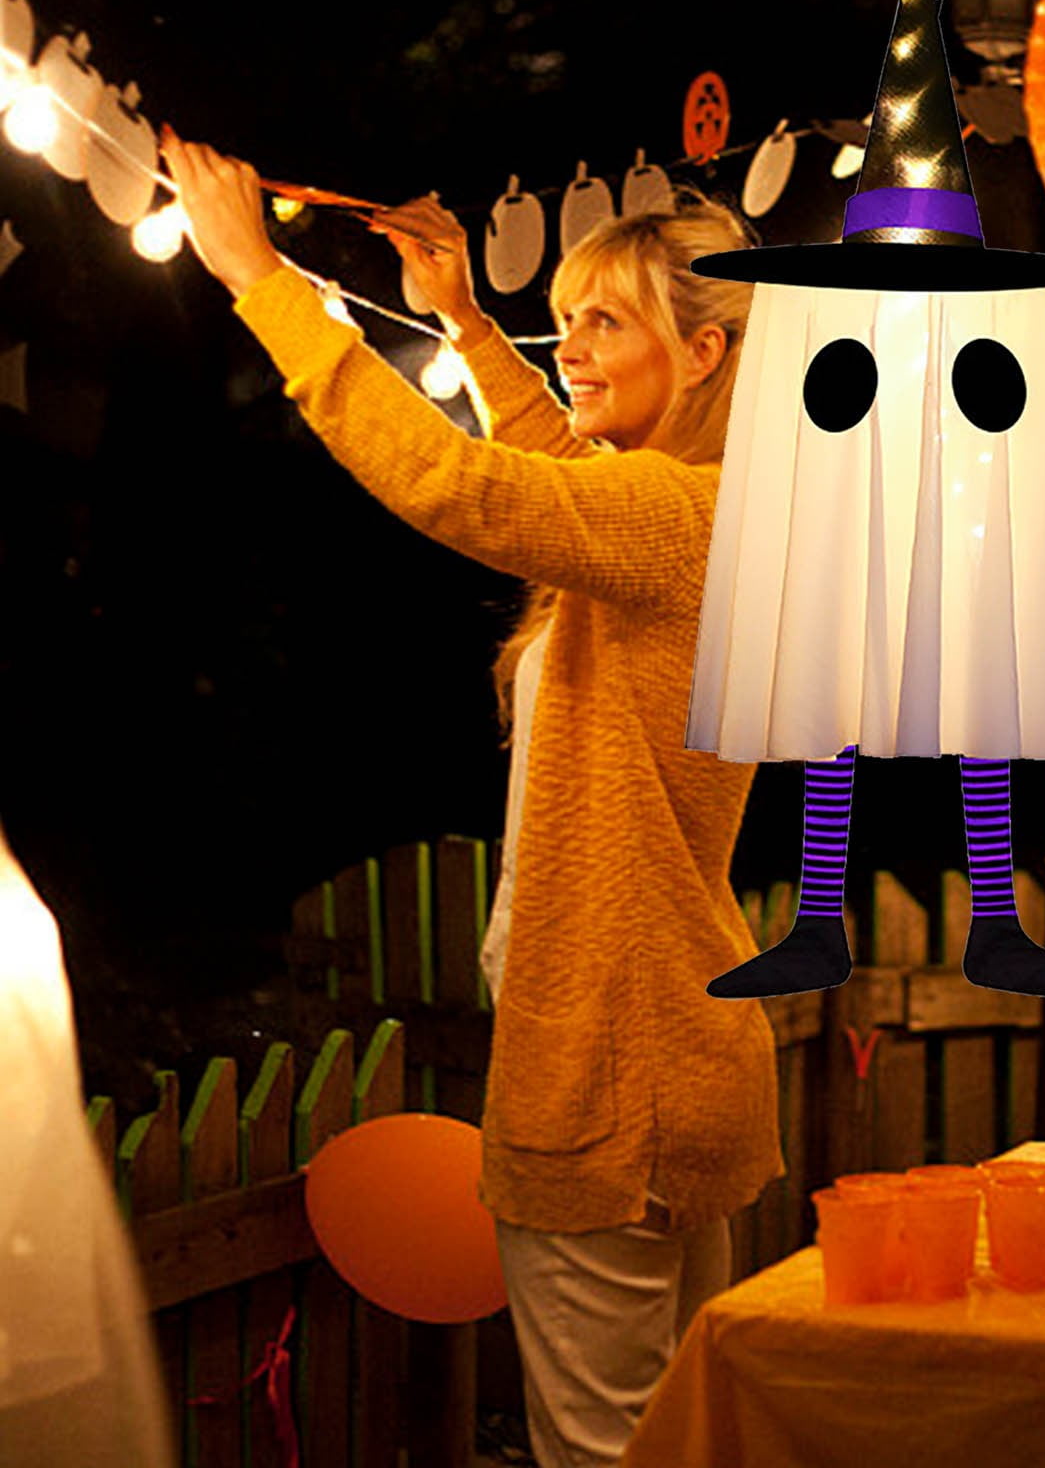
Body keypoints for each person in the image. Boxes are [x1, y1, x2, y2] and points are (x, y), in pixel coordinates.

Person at [160, 130, 784, 1468]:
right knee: (685, 1439)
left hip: (613, 1075)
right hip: (677, 1052)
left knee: (602, 1453)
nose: (574, 347)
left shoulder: (674, 517)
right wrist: (464, 319)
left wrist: (260, 278)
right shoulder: (700, 513)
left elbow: (461, 486)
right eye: (567, 323)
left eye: (605, 322)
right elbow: (552, 461)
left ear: (708, 353)